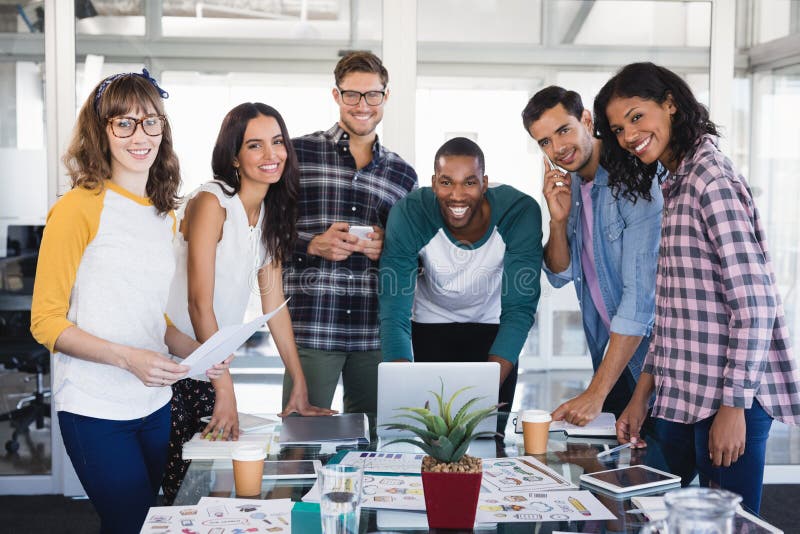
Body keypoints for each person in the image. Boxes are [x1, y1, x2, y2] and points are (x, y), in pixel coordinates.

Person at [595, 62, 800, 513]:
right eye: (617, 128)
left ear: (669, 104)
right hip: (682, 393)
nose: (629, 135)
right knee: (644, 510)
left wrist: (733, 409)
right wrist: (640, 396)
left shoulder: (711, 180)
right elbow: (673, 315)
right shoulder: (677, 182)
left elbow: (755, 305)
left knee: (730, 524)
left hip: (727, 401)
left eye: (635, 116)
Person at [29, 70, 227, 533]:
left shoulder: (163, 214)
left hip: (154, 407)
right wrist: (126, 359)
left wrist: (199, 352)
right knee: (133, 524)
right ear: (101, 131)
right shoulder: (78, 207)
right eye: (124, 123)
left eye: (150, 122)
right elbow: (45, 322)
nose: (140, 136)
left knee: (138, 523)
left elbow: (150, 316)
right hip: (95, 409)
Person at [161, 102, 335, 504]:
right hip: (172, 364)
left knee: (216, 492)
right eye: (255, 145)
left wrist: (299, 384)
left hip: (209, 365)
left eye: (277, 142)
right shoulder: (212, 202)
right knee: (185, 495)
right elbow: (197, 303)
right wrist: (226, 389)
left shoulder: (270, 212)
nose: (271, 155)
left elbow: (274, 298)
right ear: (234, 156)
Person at [282, 51, 417, 433]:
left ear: (386, 97)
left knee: (376, 444)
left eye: (372, 95)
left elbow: (413, 256)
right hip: (311, 328)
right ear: (336, 95)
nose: (363, 105)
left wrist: (386, 248)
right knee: (301, 441)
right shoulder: (296, 154)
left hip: (373, 332)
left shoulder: (403, 174)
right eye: (352, 95)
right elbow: (265, 232)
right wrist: (311, 244)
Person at [379, 137, 543, 430]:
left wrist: (485, 391)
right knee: (429, 433)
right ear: (432, 183)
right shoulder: (409, 213)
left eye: (469, 182)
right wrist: (404, 390)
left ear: (484, 183)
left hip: (493, 327)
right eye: (446, 182)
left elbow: (520, 309)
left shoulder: (519, 211)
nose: (457, 195)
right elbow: (395, 312)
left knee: (485, 432)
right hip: (429, 326)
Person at [522, 86, 662, 426]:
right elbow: (560, 273)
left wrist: (594, 392)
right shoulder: (569, 185)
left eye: (563, 130)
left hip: (653, 361)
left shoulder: (632, 180)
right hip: (608, 354)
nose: (558, 148)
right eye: (545, 142)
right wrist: (556, 220)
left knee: (660, 469)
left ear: (586, 119)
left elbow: (640, 300)